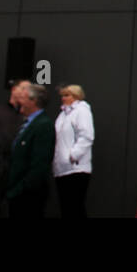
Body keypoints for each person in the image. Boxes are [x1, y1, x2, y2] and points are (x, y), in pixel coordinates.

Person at [5, 82, 55, 218]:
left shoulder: (43, 125)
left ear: (34, 101)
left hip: (28, 197)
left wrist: (20, 190)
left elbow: (39, 164)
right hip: (17, 193)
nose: (19, 101)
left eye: (23, 98)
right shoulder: (28, 123)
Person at [52, 84, 95, 218]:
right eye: (62, 95)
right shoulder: (63, 114)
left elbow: (86, 135)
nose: (63, 98)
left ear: (76, 96)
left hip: (76, 168)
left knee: (75, 207)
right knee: (66, 207)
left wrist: (73, 155)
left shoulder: (82, 111)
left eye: (67, 95)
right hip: (61, 169)